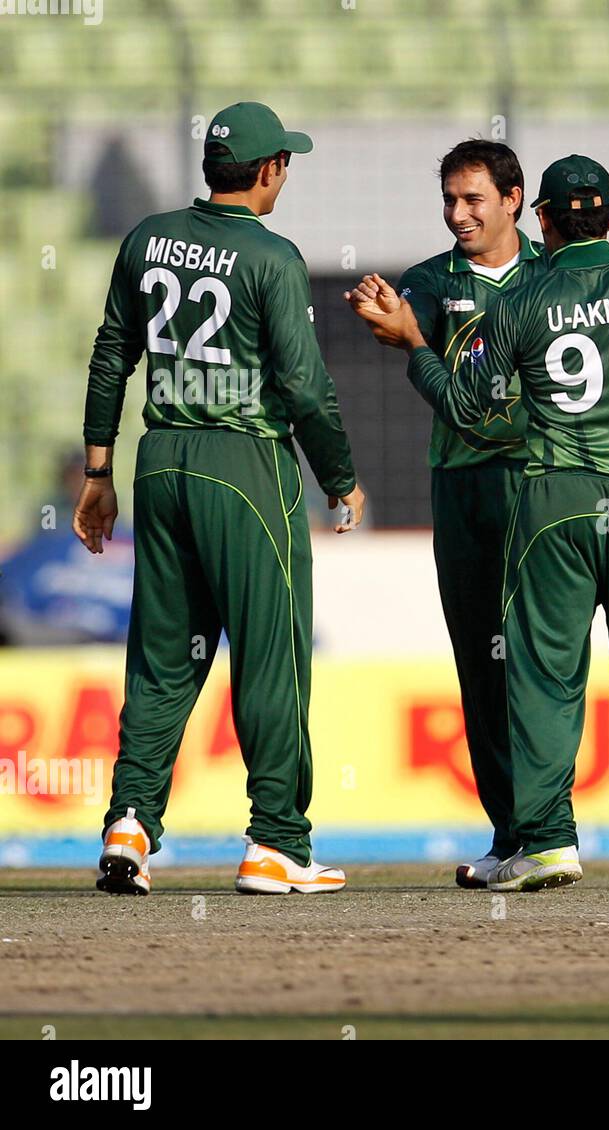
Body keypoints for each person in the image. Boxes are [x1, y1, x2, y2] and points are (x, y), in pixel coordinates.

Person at [346, 142, 609, 888]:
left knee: (542, 676)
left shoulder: (521, 301)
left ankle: (545, 838)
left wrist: (417, 347)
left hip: (551, 502)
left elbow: (464, 405)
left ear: (537, 217)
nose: (458, 214)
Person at [78, 101, 366, 896]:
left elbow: (112, 353)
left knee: (162, 660)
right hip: (245, 463)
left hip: (159, 459)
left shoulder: (145, 238)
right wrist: (339, 476)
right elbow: (304, 387)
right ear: (270, 170)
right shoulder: (273, 257)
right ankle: (276, 841)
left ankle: (130, 823)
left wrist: (97, 472)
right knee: (271, 658)